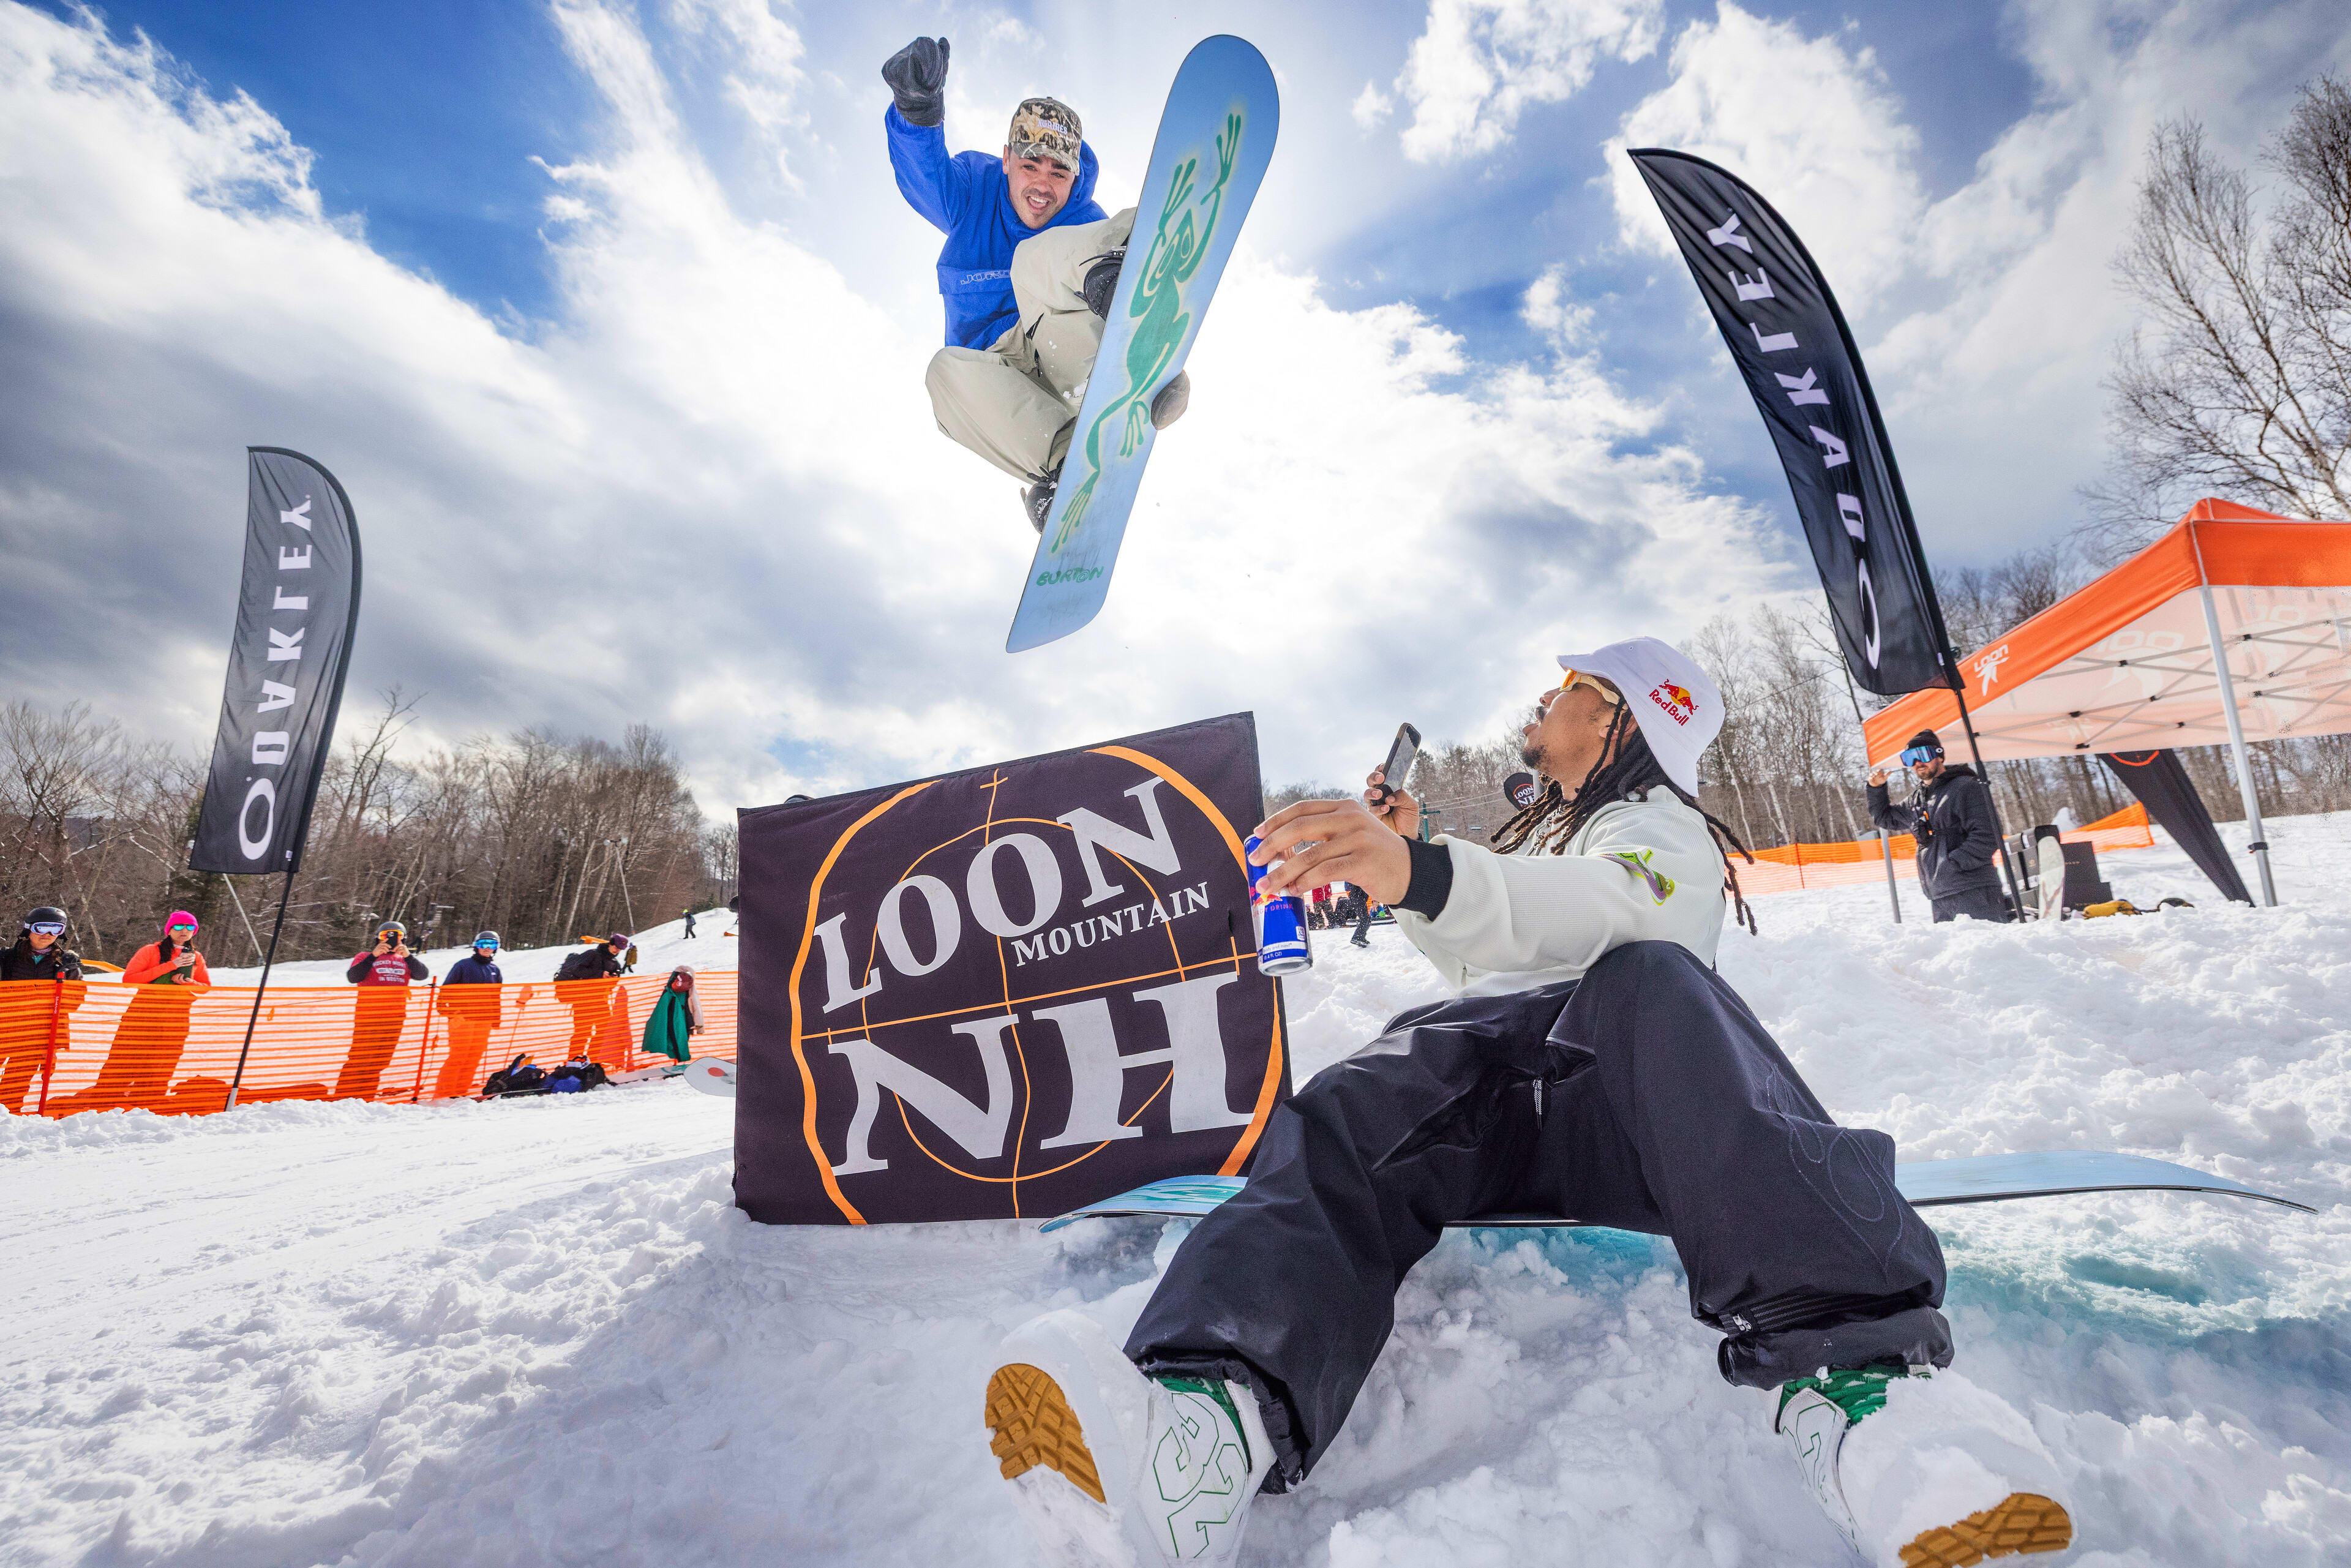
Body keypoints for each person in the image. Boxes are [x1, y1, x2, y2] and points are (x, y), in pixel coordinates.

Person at [980, 637, 2074, 1568]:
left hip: (1634, 1111)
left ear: (1616, 721)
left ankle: (1873, 1408)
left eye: (1567, 690)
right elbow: (1491, 953)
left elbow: (1605, 913)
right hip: (1499, 1094)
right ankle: (1203, 1436)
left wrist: (1425, 869)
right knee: (1354, 1104)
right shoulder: (1557, 826)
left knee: (1655, 977)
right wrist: (1412, 867)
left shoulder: (1665, 829)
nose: (1544, 704)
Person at [882, 35, 1190, 532]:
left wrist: (1157, 357)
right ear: (1007, 159)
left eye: (1059, 173)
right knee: (942, 373)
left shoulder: (1081, 219)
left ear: (1074, 177)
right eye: (1030, 166)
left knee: (1037, 259)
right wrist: (917, 111)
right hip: (1003, 378)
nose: (1043, 186)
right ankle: (1070, 463)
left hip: (1063, 353)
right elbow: (926, 178)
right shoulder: (972, 190)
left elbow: (1074, 246)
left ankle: (1145, 320)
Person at [55, 913, 210, 1113]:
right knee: (123, 1061)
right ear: (169, 929)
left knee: (162, 1065)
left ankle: (147, 1107)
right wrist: (172, 966)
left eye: (190, 928)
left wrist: (191, 983)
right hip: (142, 1015)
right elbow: (129, 979)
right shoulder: (151, 951)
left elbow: (205, 987)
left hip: (176, 1019)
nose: (184, 932)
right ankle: (103, 1105)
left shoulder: (196, 956)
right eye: (179, 927)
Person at [1868, 730, 2013, 924]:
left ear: (1939, 755)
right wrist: (1876, 788)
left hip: (1973, 891)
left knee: (1988, 951)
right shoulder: (1917, 799)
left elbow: (1988, 836)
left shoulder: (1966, 787)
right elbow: (1884, 818)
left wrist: (1952, 865)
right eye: (1910, 758)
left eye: (1924, 755)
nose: (1918, 763)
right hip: (1940, 895)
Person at [0, 906, 86, 1114]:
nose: (48, 935)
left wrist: (68, 978)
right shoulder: (7, 958)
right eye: (42, 928)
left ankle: (9, 1115)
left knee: (18, 1077)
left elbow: (76, 1000)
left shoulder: (66, 963)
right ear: (29, 929)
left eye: (55, 930)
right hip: (6, 1025)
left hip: (38, 1031)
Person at [432, 932, 507, 1101]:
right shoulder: (463, 966)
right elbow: (445, 992)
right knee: (459, 1056)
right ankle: (444, 1095)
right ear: (476, 946)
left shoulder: (495, 970)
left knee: (474, 1057)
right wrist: (451, 1014)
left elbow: (496, 996)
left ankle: (461, 1092)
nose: (487, 948)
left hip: (484, 1021)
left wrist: (496, 1019)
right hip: (463, 1020)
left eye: (492, 945)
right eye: (484, 944)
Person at [555, 932, 632, 1068]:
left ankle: (593, 1060)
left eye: (620, 949)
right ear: (610, 943)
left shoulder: (615, 963)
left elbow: (612, 984)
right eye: (616, 947)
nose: (617, 950)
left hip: (601, 1000)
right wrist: (599, 974)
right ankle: (573, 1062)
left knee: (605, 1029)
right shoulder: (592, 954)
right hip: (582, 1001)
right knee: (583, 1032)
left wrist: (613, 980)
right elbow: (576, 970)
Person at [641, 965, 703, 1065]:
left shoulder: (670, 989)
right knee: (679, 1040)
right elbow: (696, 1006)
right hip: (683, 1020)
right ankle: (679, 1062)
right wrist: (699, 1025)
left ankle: (679, 1062)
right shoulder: (685, 987)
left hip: (679, 1020)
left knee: (675, 1040)